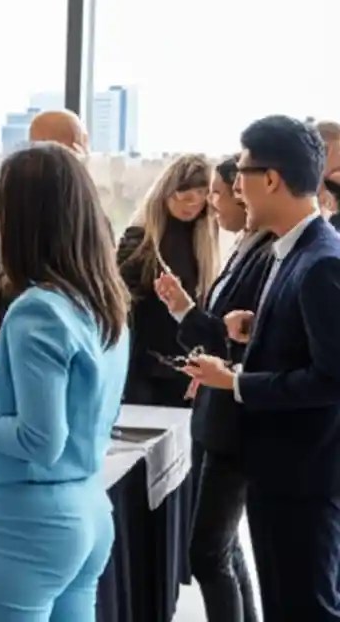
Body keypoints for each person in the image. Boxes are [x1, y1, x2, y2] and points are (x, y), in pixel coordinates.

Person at [0, 142, 130, 621]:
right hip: (88, 509)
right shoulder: (105, 303)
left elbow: (40, 440)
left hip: (28, 525)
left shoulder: (39, 309)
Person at [184, 115, 340, 622]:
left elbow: (332, 380)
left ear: (271, 178)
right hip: (280, 472)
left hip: (304, 477)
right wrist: (257, 333)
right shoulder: (287, 252)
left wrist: (237, 382)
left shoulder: (321, 261)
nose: (235, 187)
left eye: (242, 173)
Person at [154, 155, 268, 622]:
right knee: (223, 550)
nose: (213, 203)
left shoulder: (267, 253)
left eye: (219, 193)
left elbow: (234, 339)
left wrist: (186, 313)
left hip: (233, 418)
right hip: (216, 411)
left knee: (208, 553)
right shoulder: (245, 245)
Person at [117, 154, 218, 406]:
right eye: (183, 194)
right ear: (166, 192)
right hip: (144, 367)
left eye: (200, 193)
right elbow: (120, 301)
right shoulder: (141, 239)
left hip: (188, 369)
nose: (191, 203)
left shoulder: (205, 241)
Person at [0, 109, 88, 304]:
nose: (86, 154)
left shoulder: (81, 202)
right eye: (79, 146)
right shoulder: (4, 202)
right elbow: (6, 275)